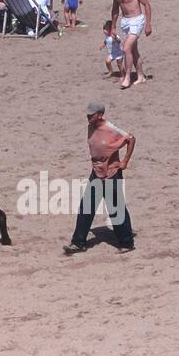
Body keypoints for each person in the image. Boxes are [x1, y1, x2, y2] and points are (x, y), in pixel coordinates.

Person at [64, 103, 136, 254]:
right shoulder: (91, 126)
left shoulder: (110, 129)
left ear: (100, 115)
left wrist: (125, 162)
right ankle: (78, 242)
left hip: (111, 173)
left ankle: (127, 242)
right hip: (96, 172)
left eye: (91, 115)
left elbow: (131, 139)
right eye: (87, 115)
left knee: (115, 208)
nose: (88, 117)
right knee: (86, 207)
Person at [104, 0, 152, 90]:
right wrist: (113, 27)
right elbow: (115, 9)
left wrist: (148, 24)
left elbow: (146, 4)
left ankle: (127, 77)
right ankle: (140, 76)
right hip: (125, 22)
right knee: (133, 50)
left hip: (137, 21)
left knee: (126, 49)